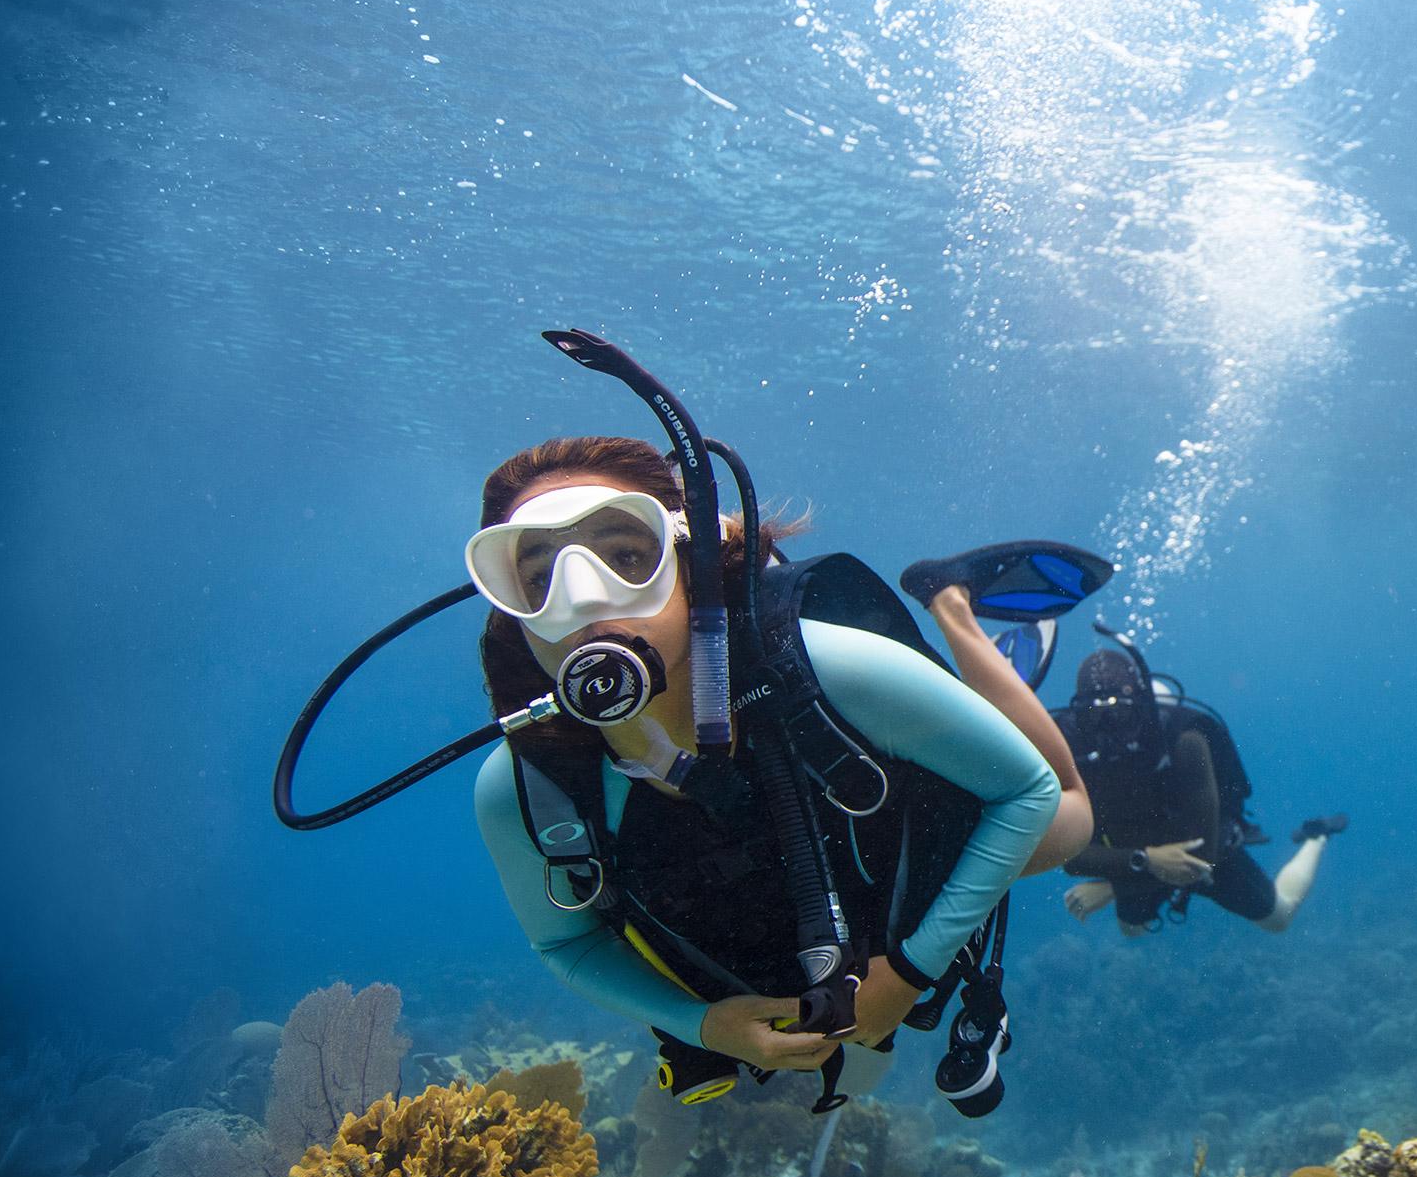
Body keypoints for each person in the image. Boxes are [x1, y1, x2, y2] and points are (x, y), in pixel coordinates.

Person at [467, 432, 1107, 1115]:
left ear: (690, 566)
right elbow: (565, 941)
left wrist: (911, 970)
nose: (583, 601)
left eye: (628, 557)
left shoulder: (834, 668)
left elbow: (1026, 790)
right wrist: (704, 1026)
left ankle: (953, 609)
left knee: (1069, 817)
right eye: (538, 578)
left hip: (909, 843)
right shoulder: (524, 790)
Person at [1053, 642, 1344, 935]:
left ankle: (1316, 836)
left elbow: (1203, 852)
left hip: (1206, 847)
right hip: (1140, 859)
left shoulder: (1184, 739)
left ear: (1140, 704)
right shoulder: (1069, 747)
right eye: (1093, 714)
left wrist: (1115, 886)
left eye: (1117, 713)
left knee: (1279, 917)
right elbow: (1067, 856)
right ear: (1078, 711)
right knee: (1132, 929)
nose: (1107, 728)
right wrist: (1145, 861)